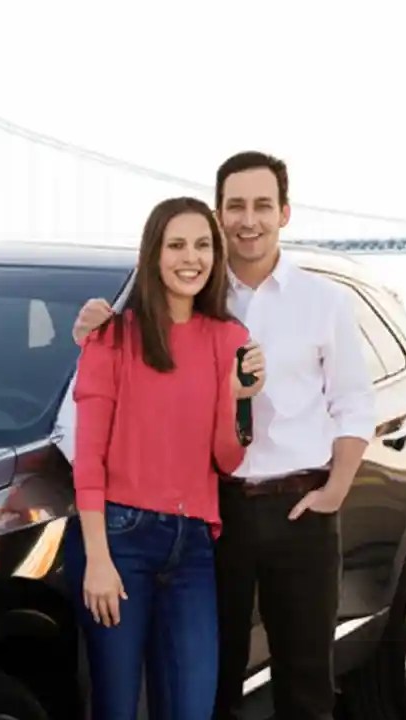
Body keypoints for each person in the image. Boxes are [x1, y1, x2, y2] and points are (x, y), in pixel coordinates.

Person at [68, 151, 375, 720]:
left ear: (285, 212)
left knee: (306, 678)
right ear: (219, 214)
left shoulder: (323, 302)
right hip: (219, 512)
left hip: (300, 507)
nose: (248, 219)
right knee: (215, 684)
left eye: (263, 205)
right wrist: (93, 324)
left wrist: (335, 490)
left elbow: (355, 402)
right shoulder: (187, 297)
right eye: (235, 206)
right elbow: (114, 396)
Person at [63, 195, 263, 720]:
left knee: (192, 707)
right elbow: (88, 459)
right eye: (176, 245)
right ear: (153, 254)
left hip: (193, 544)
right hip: (117, 541)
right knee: (116, 708)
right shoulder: (112, 337)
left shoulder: (230, 338)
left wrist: (241, 400)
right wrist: (98, 560)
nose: (190, 257)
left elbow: (228, 459)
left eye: (202, 245)